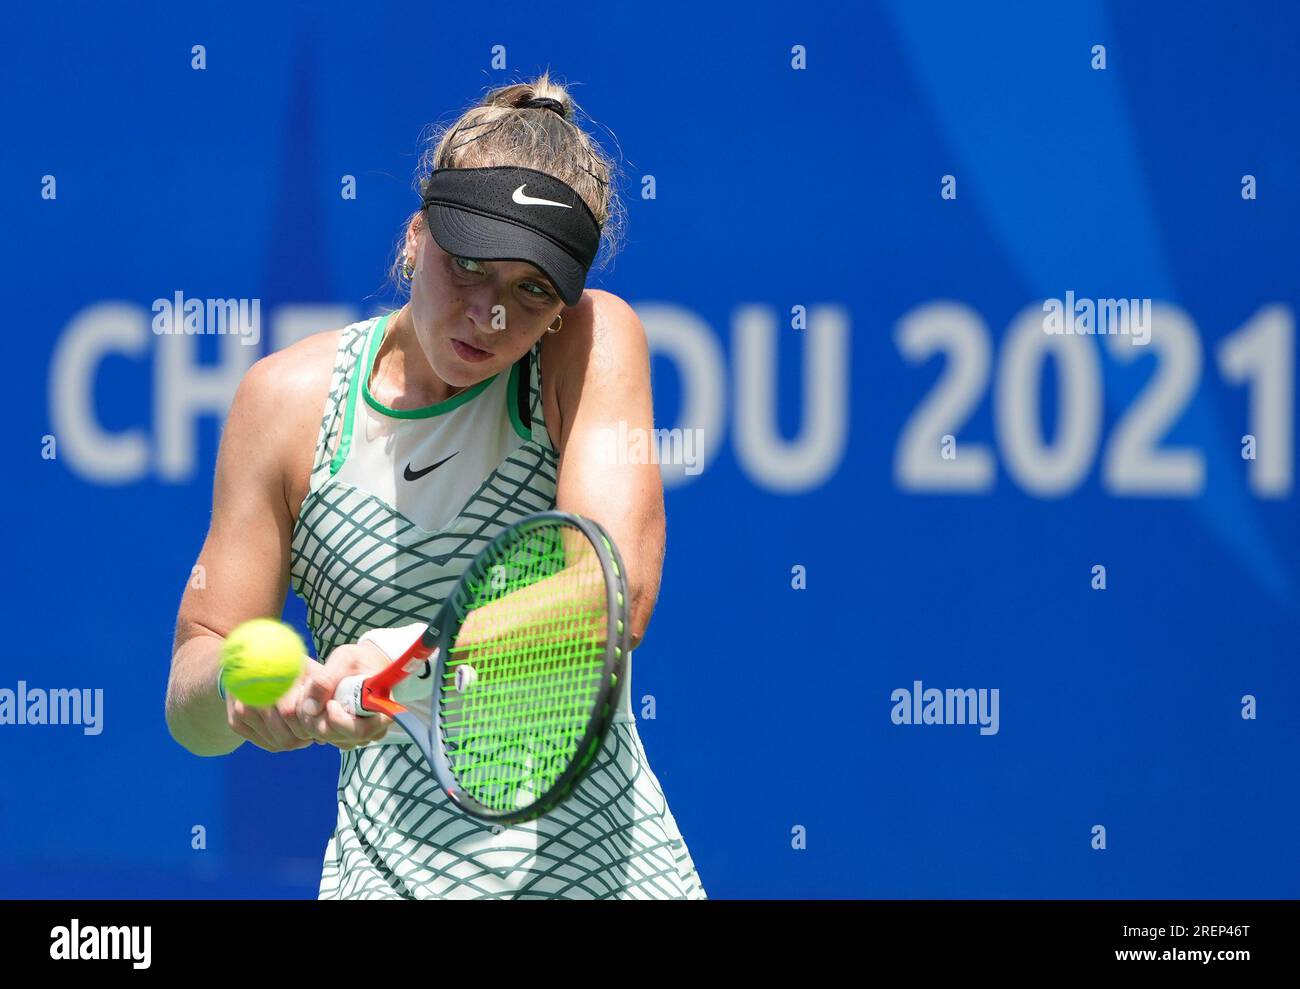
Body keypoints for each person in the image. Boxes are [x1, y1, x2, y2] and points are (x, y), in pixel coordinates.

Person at [165, 74, 707, 899]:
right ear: (417, 235)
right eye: (468, 265)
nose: (489, 315)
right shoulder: (282, 404)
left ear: (564, 306)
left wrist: (393, 658)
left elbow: (612, 595)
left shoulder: (592, 346)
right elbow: (191, 691)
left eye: (531, 291)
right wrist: (245, 688)